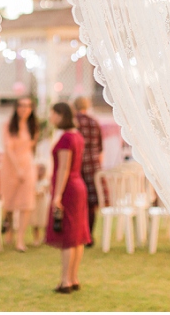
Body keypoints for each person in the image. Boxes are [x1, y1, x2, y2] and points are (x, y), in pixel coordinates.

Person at [46, 102, 91, 294]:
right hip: (78, 185)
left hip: (69, 189)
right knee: (78, 234)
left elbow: (64, 167)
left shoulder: (65, 138)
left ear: (60, 115)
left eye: (52, 114)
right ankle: (73, 277)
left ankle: (65, 280)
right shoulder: (77, 136)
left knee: (68, 235)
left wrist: (57, 196)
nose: (50, 118)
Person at [0, 97, 38, 252]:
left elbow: (31, 147)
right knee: (9, 202)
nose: (24, 109)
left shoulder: (33, 126)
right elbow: (8, 148)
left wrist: (26, 167)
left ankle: (20, 239)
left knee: (26, 203)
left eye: (28, 106)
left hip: (28, 164)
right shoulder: (8, 125)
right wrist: (17, 168)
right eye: (21, 105)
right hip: (10, 165)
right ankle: (9, 230)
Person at [73, 97, 103, 247]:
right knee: (91, 203)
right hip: (93, 164)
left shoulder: (73, 122)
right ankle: (89, 235)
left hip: (77, 164)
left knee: (77, 201)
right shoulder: (94, 122)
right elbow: (100, 148)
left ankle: (79, 234)